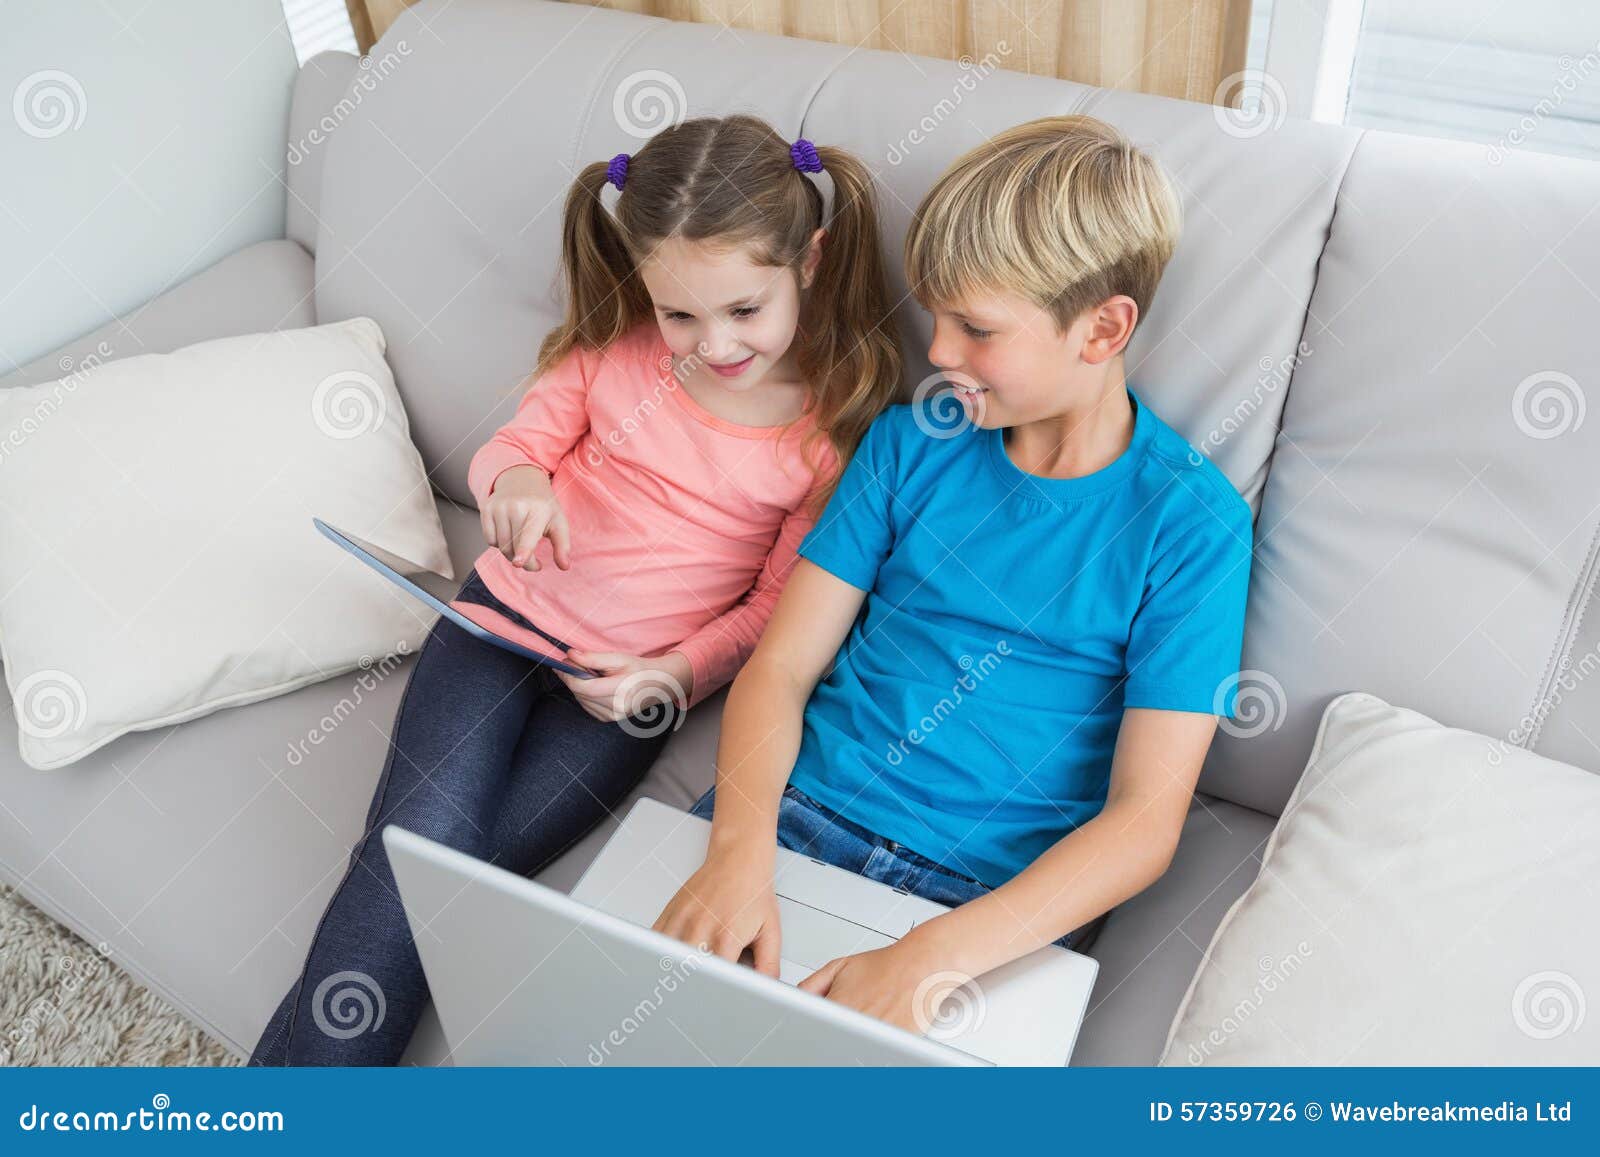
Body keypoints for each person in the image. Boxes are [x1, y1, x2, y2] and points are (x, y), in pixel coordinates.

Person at [251, 114, 903, 1064]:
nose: (712, 344)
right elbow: (518, 449)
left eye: (743, 311)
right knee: (416, 846)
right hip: (495, 629)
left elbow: (774, 610)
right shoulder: (615, 353)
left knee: (455, 881)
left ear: (810, 258)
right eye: (680, 314)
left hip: (624, 702)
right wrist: (515, 485)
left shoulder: (826, 436)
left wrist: (672, 674)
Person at [653, 115, 1254, 1037]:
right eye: (937, 316)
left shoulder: (1192, 526)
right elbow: (779, 669)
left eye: (976, 327)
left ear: (1104, 328)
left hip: (987, 908)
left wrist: (930, 957)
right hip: (794, 821)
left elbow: (1143, 822)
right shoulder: (907, 446)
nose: (936, 351)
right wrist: (739, 851)